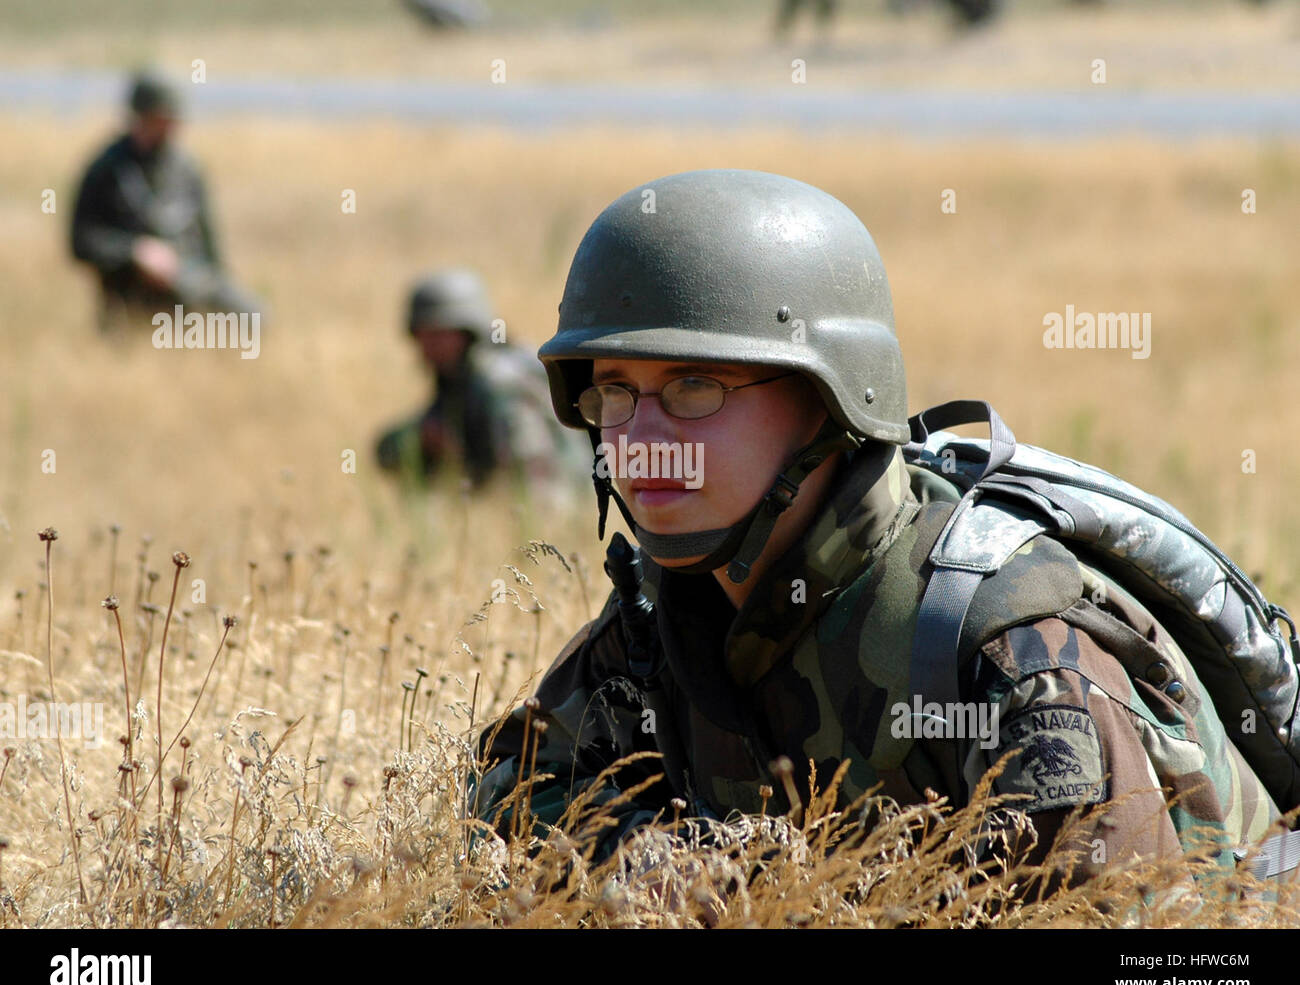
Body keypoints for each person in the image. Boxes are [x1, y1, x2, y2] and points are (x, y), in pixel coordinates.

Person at [469, 168, 1282, 888]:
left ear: (830, 402)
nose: (637, 440)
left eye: (693, 387)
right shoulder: (672, 608)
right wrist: (655, 867)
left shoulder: (1007, 650)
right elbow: (509, 796)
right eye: (614, 391)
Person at [70, 68, 261, 331]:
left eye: (173, 119)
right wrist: (135, 252)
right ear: (142, 117)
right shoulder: (106, 170)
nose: (171, 127)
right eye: (162, 118)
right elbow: (81, 241)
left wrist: (213, 281)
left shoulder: (187, 170)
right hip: (131, 292)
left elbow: (209, 244)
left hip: (190, 282)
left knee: (253, 319)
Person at [375, 268, 588, 499]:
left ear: (467, 333)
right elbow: (386, 451)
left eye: (438, 335)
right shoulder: (458, 380)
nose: (426, 346)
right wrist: (424, 438)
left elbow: (532, 475)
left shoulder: (500, 384)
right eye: (422, 335)